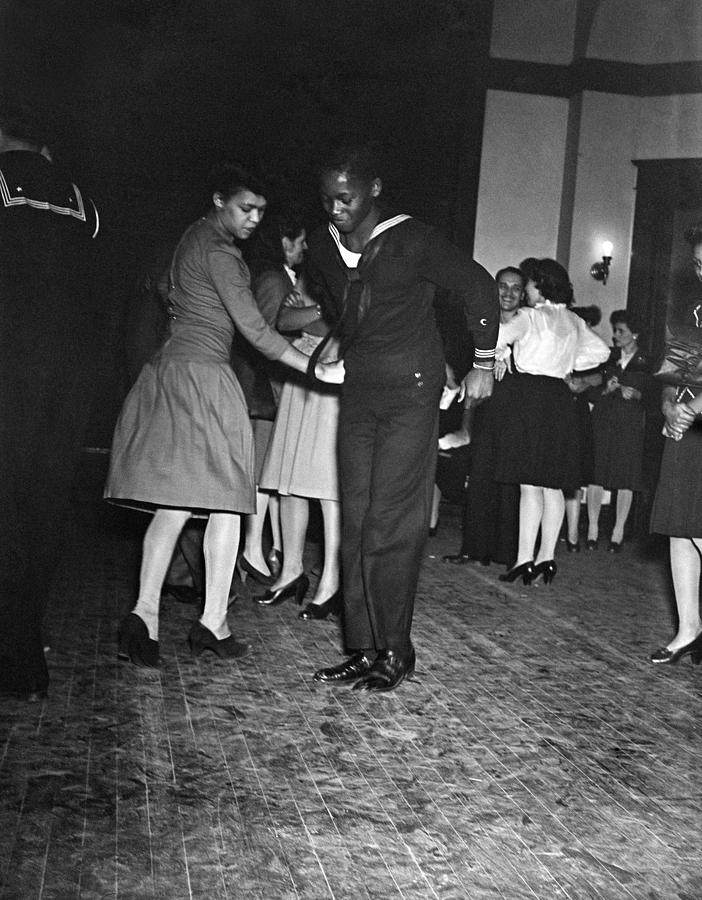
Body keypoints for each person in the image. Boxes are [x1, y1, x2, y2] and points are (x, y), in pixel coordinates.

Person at [306, 141, 498, 692]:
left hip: (411, 389)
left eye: (346, 198)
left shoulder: (413, 239)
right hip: (360, 390)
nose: (336, 208)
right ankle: (363, 647)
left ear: (374, 190)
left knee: (391, 520)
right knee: (357, 518)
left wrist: (483, 360)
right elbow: (346, 309)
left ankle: (396, 649)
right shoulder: (324, 244)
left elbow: (478, 285)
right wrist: (336, 350)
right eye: (328, 198)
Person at [104, 164, 315, 668]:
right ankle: (212, 621)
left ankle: (144, 617)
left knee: (176, 506)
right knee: (229, 504)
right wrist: (316, 368)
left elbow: (171, 293)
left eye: (261, 211)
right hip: (204, 378)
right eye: (246, 208)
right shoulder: (220, 252)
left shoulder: (192, 237)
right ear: (219, 199)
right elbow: (257, 331)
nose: (254, 219)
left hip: (172, 371)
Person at [0, 98, 100, 700]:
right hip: (70, 374)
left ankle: (11, 651)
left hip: (10, 365)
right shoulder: (83, 201)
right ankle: (24, 653)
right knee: (43, 507)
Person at [494, 258, 610, 586]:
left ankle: (523, 560)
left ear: (540, 286)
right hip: (560, 400)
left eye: (529, 284)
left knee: (529, 483)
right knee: (553, 484)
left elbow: (495, 337)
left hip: (530, 397)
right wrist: (569, 361)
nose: (526, 291)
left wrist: (504, 354)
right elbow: (601, 352)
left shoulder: (530, 317)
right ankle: (547, 558)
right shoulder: (573, 320)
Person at [257, 255, 342, 619]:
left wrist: (311, 313)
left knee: (328, 485)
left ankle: (331, 582)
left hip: (336, 371)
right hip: (303, 366)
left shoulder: (362, 273)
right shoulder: (313, 273)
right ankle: (291, 570)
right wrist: (320, 310)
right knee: (290, 479)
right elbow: (284, 320)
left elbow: (348, 324)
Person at [232, 209, 310, 592]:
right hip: (263, 392)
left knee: (269, 474)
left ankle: (264, 551)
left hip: (268, 391)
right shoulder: (273, 281)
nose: (305, 248)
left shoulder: (279, 278)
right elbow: (263, 340)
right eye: (300, 241)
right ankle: (252, 549)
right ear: (284, 242)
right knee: (263, 473)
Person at [443, 265, 525, 566]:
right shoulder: (481, 325)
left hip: (518, 411)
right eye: (503, 286)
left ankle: (508, 553)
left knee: (511, 483)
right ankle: (473, 549)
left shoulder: (530, 325)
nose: (508, 293)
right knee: (479, 478)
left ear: (523, 294)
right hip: (486, 411)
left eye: (515, 288)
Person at [649, 222, 702, 665]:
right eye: (700, 264)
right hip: (684, 430)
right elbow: (672, 372)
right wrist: (670, 406)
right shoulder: (690, 313)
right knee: (681, 527)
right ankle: (689, 629)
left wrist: (693, 408)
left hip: (697, 422)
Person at [586, 310, 651, 551]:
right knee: (597, 474)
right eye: (615, 330)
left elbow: (654, 397)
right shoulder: (608, 357)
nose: (615, 335)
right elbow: (590, 390)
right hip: (603, 421)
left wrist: (637, 394)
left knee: (626, 477)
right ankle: (592, 530)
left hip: (630, 425)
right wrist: (607, 389)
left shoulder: (647, 361)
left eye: (620, 331)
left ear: (635, 334)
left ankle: (618, 533)